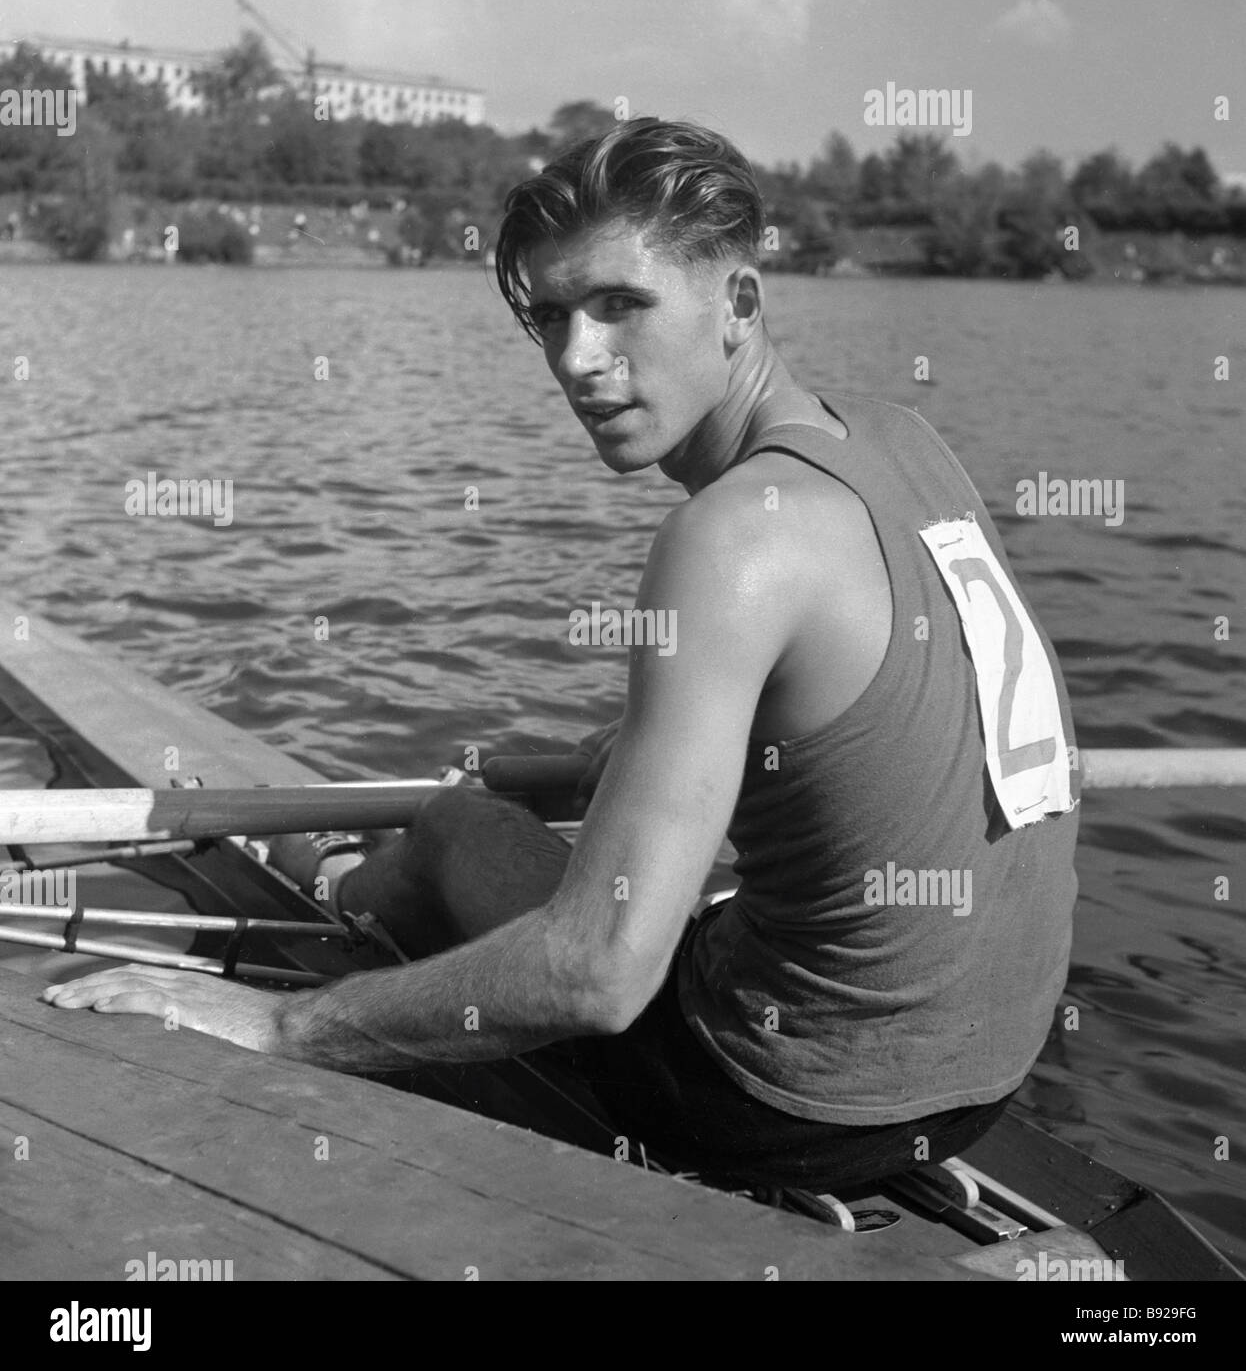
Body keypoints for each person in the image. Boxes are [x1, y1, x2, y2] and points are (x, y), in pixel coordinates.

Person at [44, 118, 1080, 1194]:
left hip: (774, 1102)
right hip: (992, 1078)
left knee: (458, 828)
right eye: (550, 317)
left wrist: (280, 1025)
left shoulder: (728, 539)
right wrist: (606, 759)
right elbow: (875, 725)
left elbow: (594, 977)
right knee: (644, 847)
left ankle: (348, 882)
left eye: (620, 305)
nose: (578, 359)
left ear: (737, 304)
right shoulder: (902, 439)